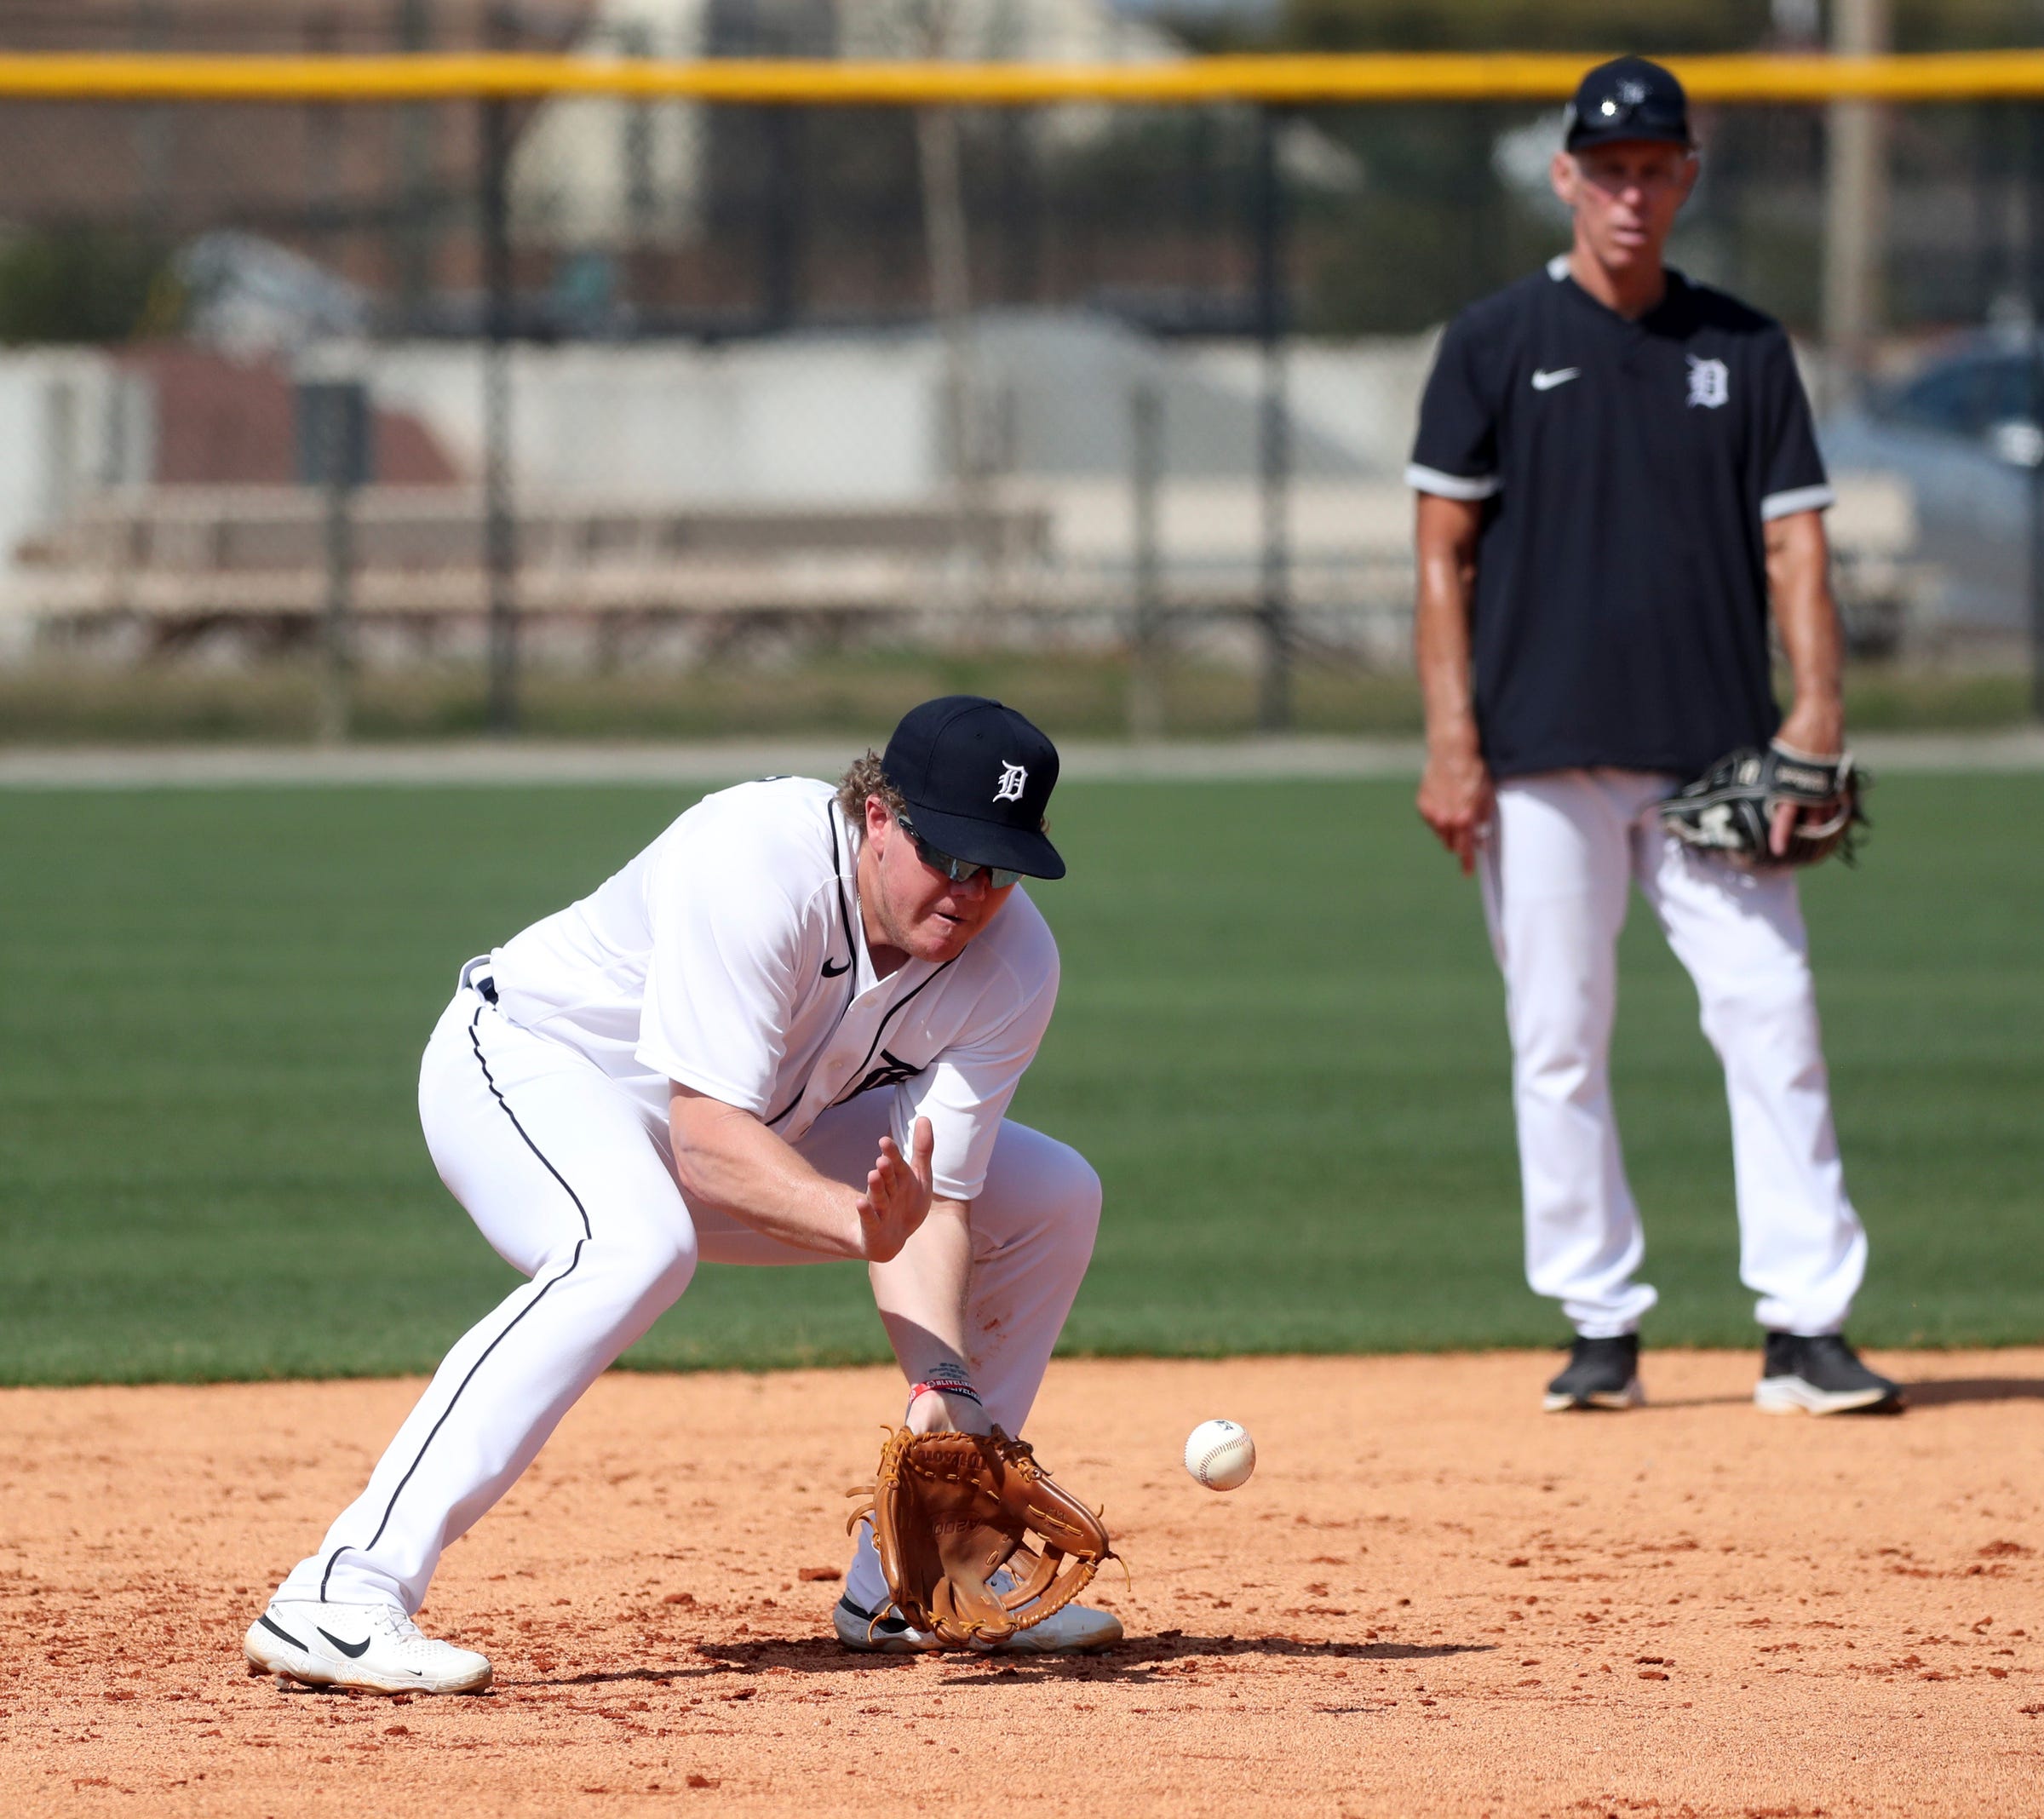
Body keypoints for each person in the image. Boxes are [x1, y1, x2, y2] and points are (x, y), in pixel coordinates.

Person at [244, 695, 1120, 1695]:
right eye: (950, 856)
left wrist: (944, 1394)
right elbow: (707, 1144)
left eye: (999, 869)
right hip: (532, 1068)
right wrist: (853, 1224)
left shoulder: (1014, 965)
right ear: (879, 815)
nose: (971, 892)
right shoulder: (756, 860)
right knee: (633, 1243)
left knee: (1053, 1193)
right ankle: (340, 1590)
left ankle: (916, 1589)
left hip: (760, 1131)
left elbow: (935, 1203)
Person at [1406, 56, 1901, 1418]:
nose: (1631, 189)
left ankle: (1807, 1328)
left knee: (1774, 1019)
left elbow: (1796, 543)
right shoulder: (1496, 340)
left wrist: (1816, 715)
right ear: (1567, 176)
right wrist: (1451, 741)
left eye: (1655, 165)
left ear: (1688, 175)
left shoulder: (1742, 347)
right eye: (1607, 166)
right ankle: (1599, 1319)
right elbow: (1439, 553)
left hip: (1717, 757)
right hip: (1540, 751)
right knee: (1558, 1036)